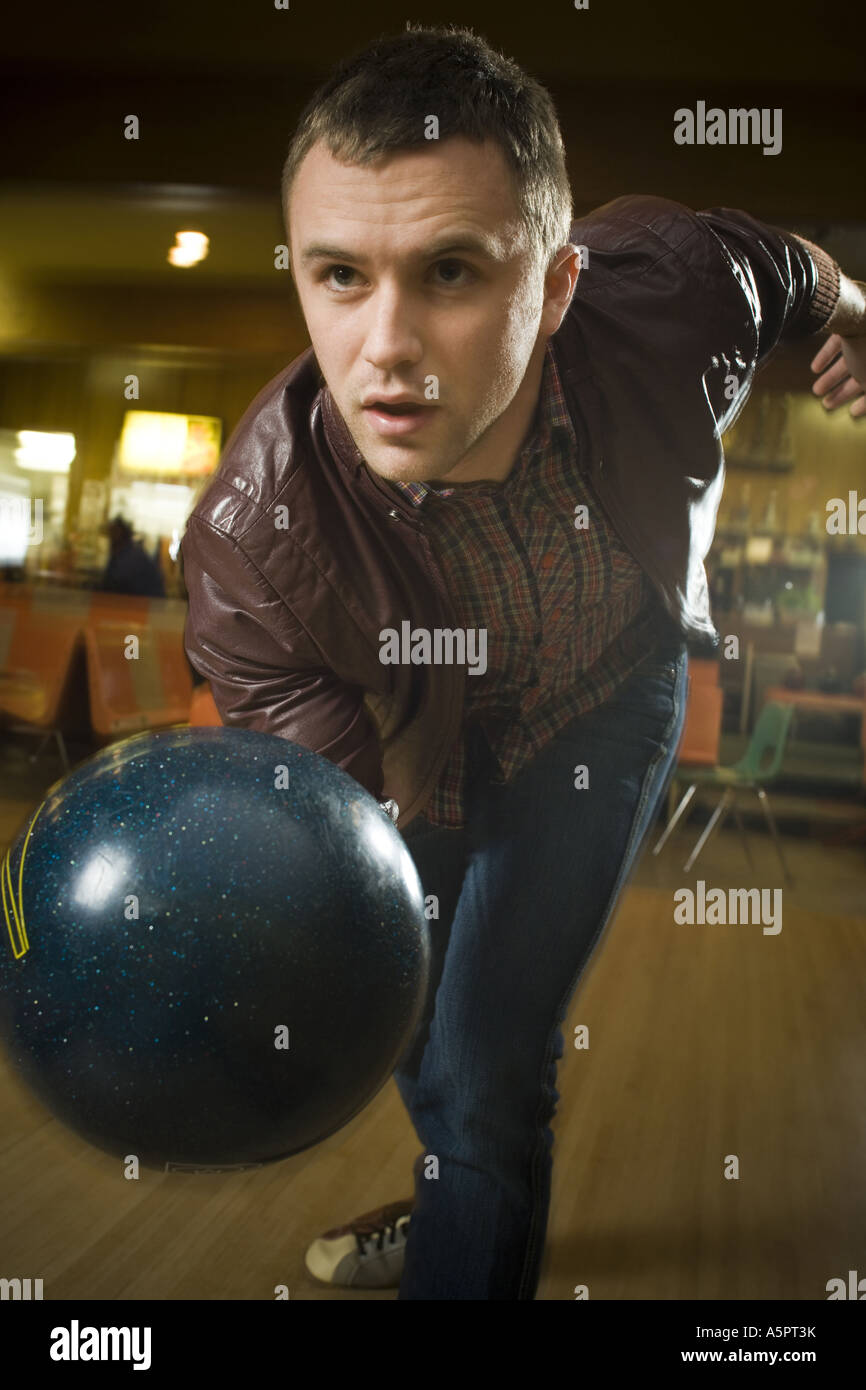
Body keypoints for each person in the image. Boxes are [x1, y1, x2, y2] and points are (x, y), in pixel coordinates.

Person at [180, 25, 866, 1300]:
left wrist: (861, 325)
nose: (382, 346)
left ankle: (468, 1177)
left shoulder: (667, 287)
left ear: (554, 288)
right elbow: (352, 857)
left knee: (488, 1065)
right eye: (337, 275)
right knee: (419, 1026)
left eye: (448, 272)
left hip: (606, 698)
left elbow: (792, 271)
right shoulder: (251, 552)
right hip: (419, 748)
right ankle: (462, 1180)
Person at [99, 516, 166, 598]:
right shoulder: (120, 554)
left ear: (122, 534)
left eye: (114, 532)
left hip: (143, 604)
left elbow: (118, 583)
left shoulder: (132, 557)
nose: (111, 537)